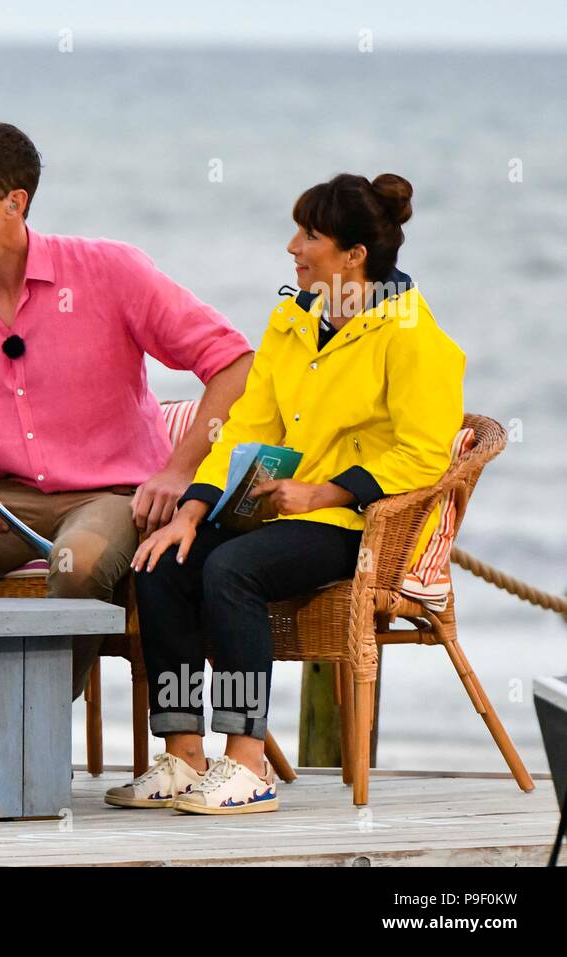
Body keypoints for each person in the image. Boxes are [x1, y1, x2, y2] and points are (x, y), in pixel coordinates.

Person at [111, 173, 465, 814]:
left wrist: (325, 491)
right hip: (276, 512)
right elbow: (246, 427)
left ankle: (246, 762)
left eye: (310, 235)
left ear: (354, 255)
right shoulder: (290, 319)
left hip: (356, 526)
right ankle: (185, 756)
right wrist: (192, 510)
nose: (292, 247)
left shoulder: (413, 335)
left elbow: (423, 454)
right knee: (163, 560)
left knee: (230, 569)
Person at [0, 123, 254, 700]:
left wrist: (180, 470)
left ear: (15, 203)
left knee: (76, 564)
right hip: (3, 503)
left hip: (115, 497)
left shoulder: (110, 271)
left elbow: (233, 362)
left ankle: (36, 727)